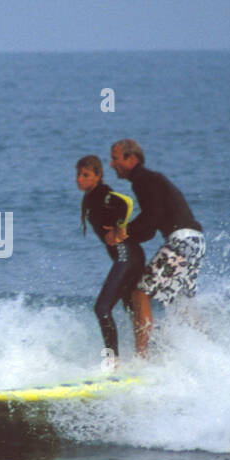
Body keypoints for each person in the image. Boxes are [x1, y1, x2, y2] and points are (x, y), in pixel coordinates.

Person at [108, 139, 204, 358]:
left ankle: (142, 360)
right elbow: (151, 226)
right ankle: (204, 348)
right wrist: (131, 233)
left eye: (115, 159)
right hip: (196, 241)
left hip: (181, 241)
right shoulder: (152, 178)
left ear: (131, 159)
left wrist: (123, 232)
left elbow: (152, 218)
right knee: (183, 301)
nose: (112, 165)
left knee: (140, 294)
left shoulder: (141, 180)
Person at [76, 155, 146, 366]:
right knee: (131, 309)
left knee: (102, 308)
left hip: (126, 255)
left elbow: (126, 203)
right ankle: (158, 351)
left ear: (98, 175)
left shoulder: (101, 194)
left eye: (86, 175)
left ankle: (112, 361)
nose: (80, 179)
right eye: (78, 174)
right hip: (131, 255)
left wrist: (119, 227)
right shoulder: (91, 196)